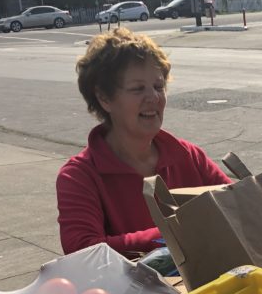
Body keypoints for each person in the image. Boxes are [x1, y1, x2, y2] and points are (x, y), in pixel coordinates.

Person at [57, 28, 231, 257]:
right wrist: (175, 231)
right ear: (104, 98)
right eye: (138, 89)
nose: (154, 97)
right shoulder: (79, 177)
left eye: (159, 87)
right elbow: (84, 251)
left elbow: (234, 205)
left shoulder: (189, 156)